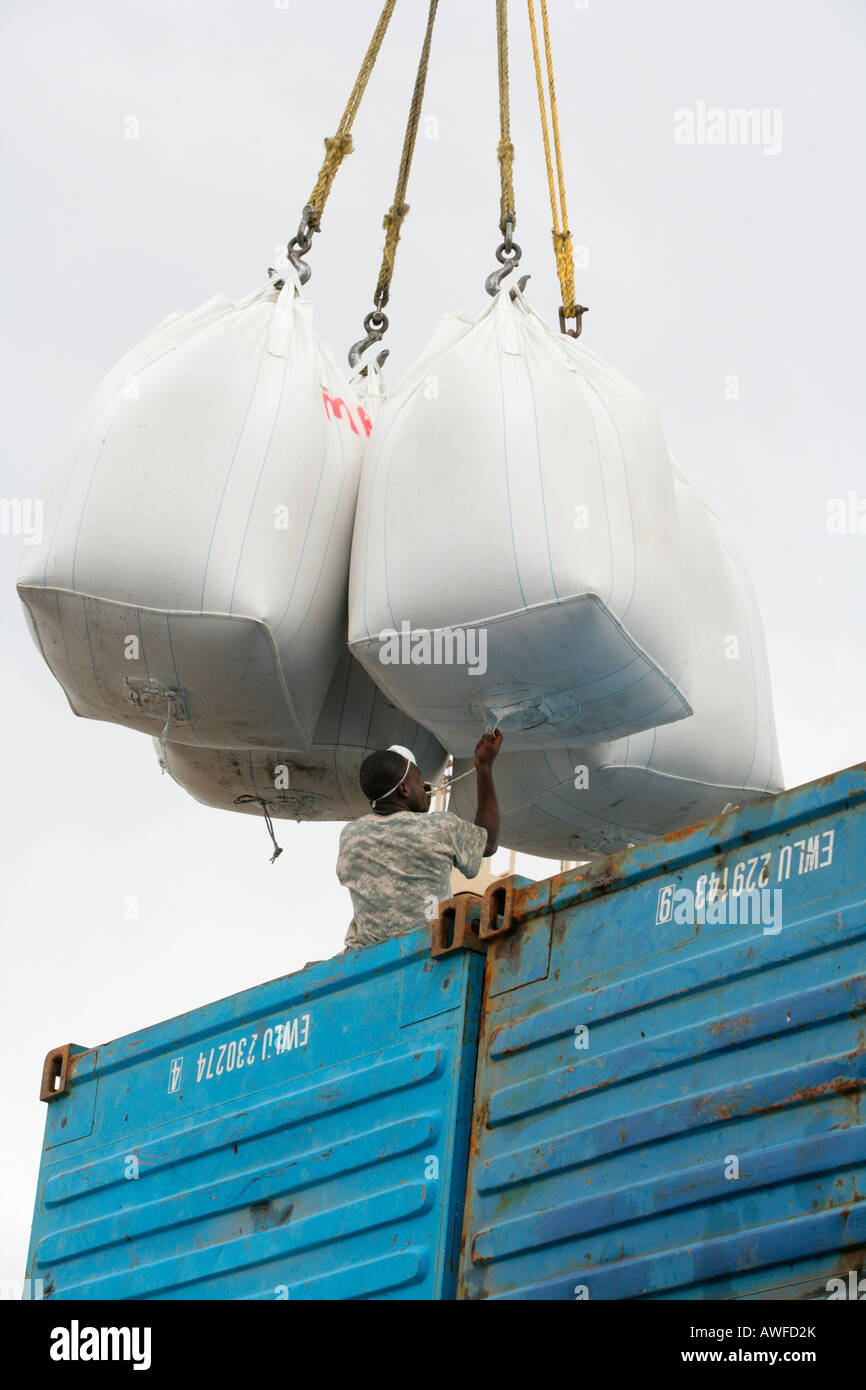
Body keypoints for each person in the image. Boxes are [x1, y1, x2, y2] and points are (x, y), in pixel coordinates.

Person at [337, 730, 503, 950]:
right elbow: (488, 842)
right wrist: (484, 767)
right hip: (428, 949)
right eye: (418, 778)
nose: (425, 784)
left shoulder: (350, 836)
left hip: (367, 957)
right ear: (404, 789)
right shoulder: (439, 827)